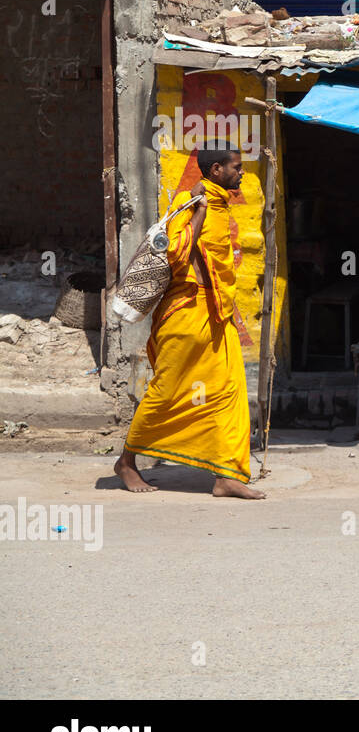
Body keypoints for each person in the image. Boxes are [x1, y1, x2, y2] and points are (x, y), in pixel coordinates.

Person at [113, 143, 264, 499]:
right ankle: (126, 462)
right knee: (166, 392)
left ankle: (227, 475)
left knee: (229, 393)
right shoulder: (189, 201)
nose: (242, 173)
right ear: (216, 171)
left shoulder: (221, 204)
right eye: (236, 167)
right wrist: (196, 210)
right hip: (185, 314)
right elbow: (177, 253)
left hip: (217, 315)